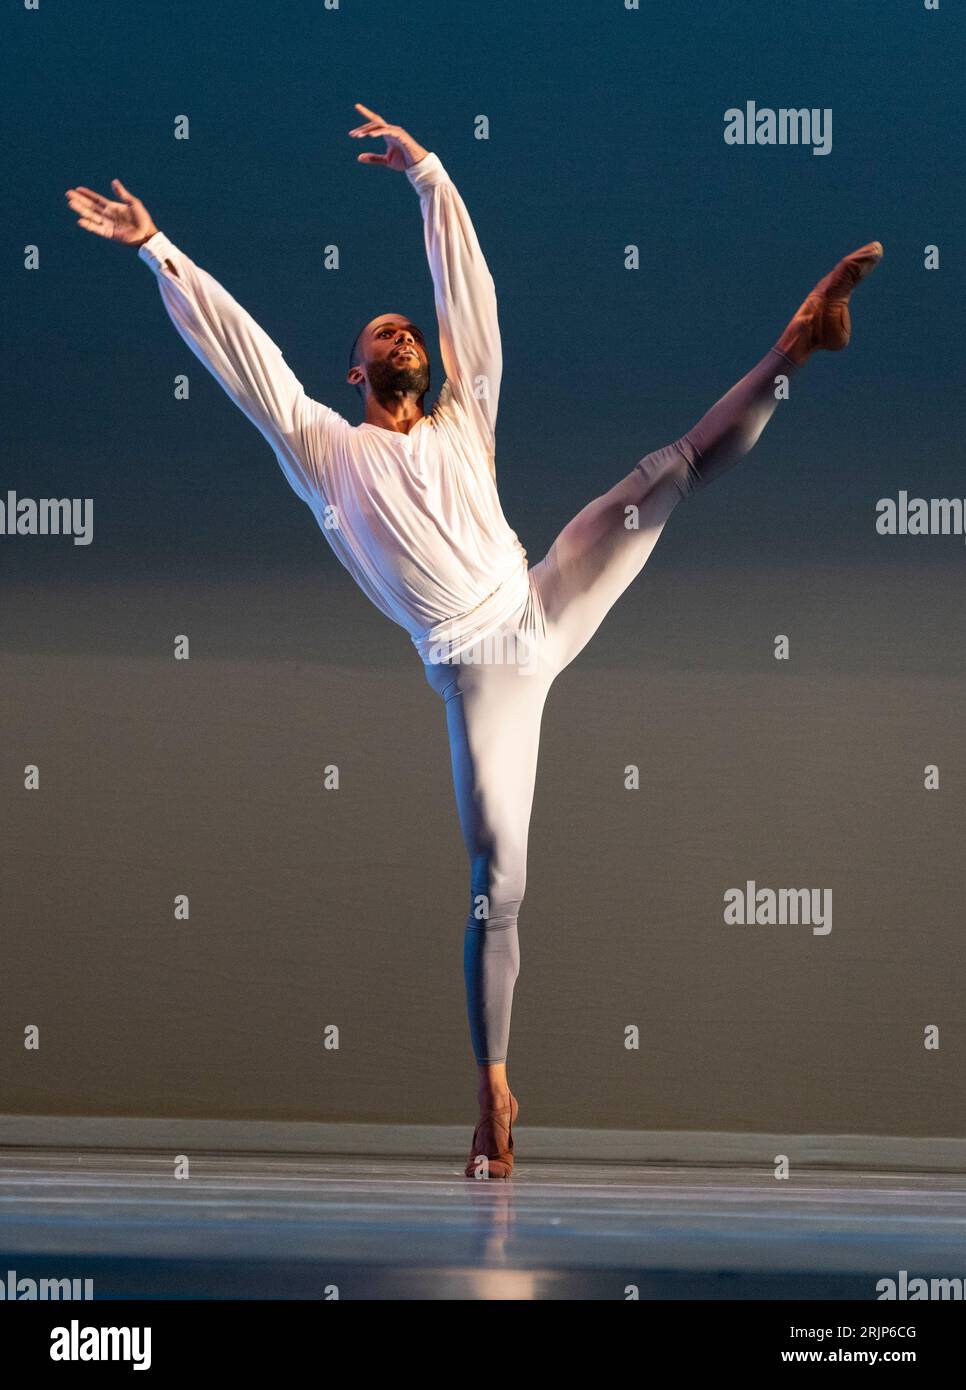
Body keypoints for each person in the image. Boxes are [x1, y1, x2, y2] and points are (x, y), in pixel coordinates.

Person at [66, 103, 882, 1180]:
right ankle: (492, 1079)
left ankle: (798, 340)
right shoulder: (325, 450)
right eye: (382, 334)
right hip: (480, 673)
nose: (404, 335)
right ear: (357, 374)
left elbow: (473, 307)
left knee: (663, 475)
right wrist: (158, 247)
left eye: (410, 331)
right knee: (501, 879)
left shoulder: (465, 417)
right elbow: (246, 358)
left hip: (537, 598)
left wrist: (431, 178)